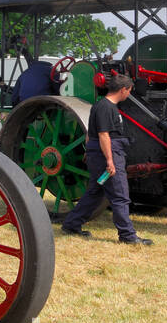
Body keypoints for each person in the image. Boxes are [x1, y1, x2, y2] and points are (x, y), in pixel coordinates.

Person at [61, 74, 152, 247]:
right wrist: (110, 160)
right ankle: (127, 235)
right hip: (108, 153)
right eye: (129, 91)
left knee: (95, 192)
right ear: (123, 89)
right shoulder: (106, 107)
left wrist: (90, 151)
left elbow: (90, 132)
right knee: (120, 195)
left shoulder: (100, 106)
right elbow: (103, 135)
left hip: (99, 152)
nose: (128, 94)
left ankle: (71, 225)